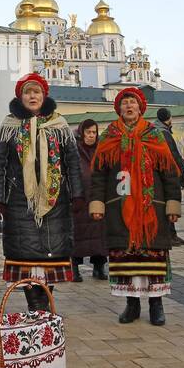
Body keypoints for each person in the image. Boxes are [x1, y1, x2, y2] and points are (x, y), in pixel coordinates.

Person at [0, 73, 83, 306]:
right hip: (19, 203)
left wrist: (77, 194)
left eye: (36, 92)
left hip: (55, 203)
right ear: (20, 97)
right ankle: (35, 305)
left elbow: (72, 162)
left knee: (51, 255)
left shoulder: (59, 125)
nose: (32, 96)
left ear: (44, 95)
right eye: (28, 92)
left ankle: (45, 300)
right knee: (25, 256)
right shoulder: (9, 126)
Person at [89, 87, 182, 326]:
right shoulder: (108, 136)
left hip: (152, 207)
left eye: (133, 103)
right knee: (125, 256)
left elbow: (170, 172)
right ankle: (131, 304)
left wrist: (172, 204)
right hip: (119, 206)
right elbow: (98, 173)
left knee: (152, 256)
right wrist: (97, 202)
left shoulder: (155, 135)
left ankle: (156, 304)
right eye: (124, 103)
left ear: (141, 108)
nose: (129, 107)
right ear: (118, 108)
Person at [71, 119, 108, 280]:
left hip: (98, 197)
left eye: (94, 132)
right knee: (77, 233)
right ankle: (74, 267)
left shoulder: (101, 149)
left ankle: (99, 266)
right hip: (79, 197)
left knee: (100, 235)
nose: (91, 135)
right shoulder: (74, 150)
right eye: (88, 132)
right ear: (81, 132)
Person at [154, 107, 184, 246]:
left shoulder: (156, 130)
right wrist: (180, 169)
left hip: (164, 173)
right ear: (168, 119)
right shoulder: (164, 133)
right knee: (169, 201)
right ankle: (170, 235)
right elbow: (172, 155)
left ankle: (172, 233)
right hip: (169, 173)